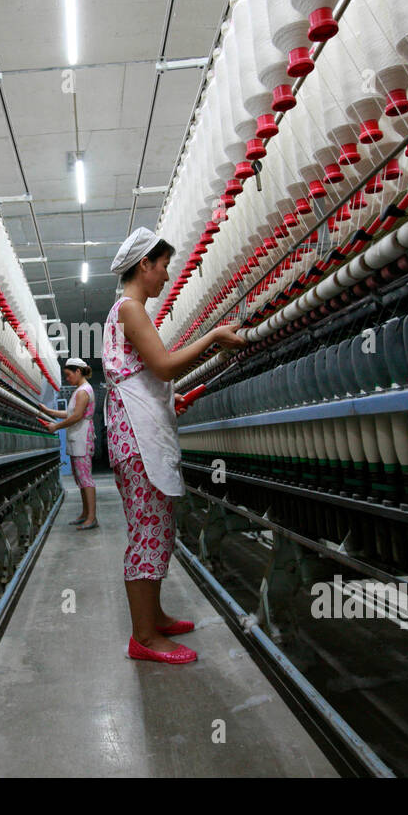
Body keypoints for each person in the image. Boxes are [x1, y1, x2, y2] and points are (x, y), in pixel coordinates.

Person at [104, 227, 246, 665]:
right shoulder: (131, 310)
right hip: (136, 440)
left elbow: (142, 376)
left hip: (134, 432)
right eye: (164, 266)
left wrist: (170, 398)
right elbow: (163, 367)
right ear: (144, 264)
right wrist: (213, 338)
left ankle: (156, 616)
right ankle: (143, 637)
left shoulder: (125, 312)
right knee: (147, 533)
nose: (167, 276)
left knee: (158, 529)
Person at [38, 358, 98, 530]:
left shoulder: (83, 391)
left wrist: (56, 426)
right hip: (77, 437)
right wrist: (48, 411)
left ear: (78, 372)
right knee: (81, 478)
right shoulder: (80, 390)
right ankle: (85, 514)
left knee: (86, 479)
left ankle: (91, 518)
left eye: (68, 375)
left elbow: (77, 415)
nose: (67, 379)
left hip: (82, 437)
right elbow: (70, 412)